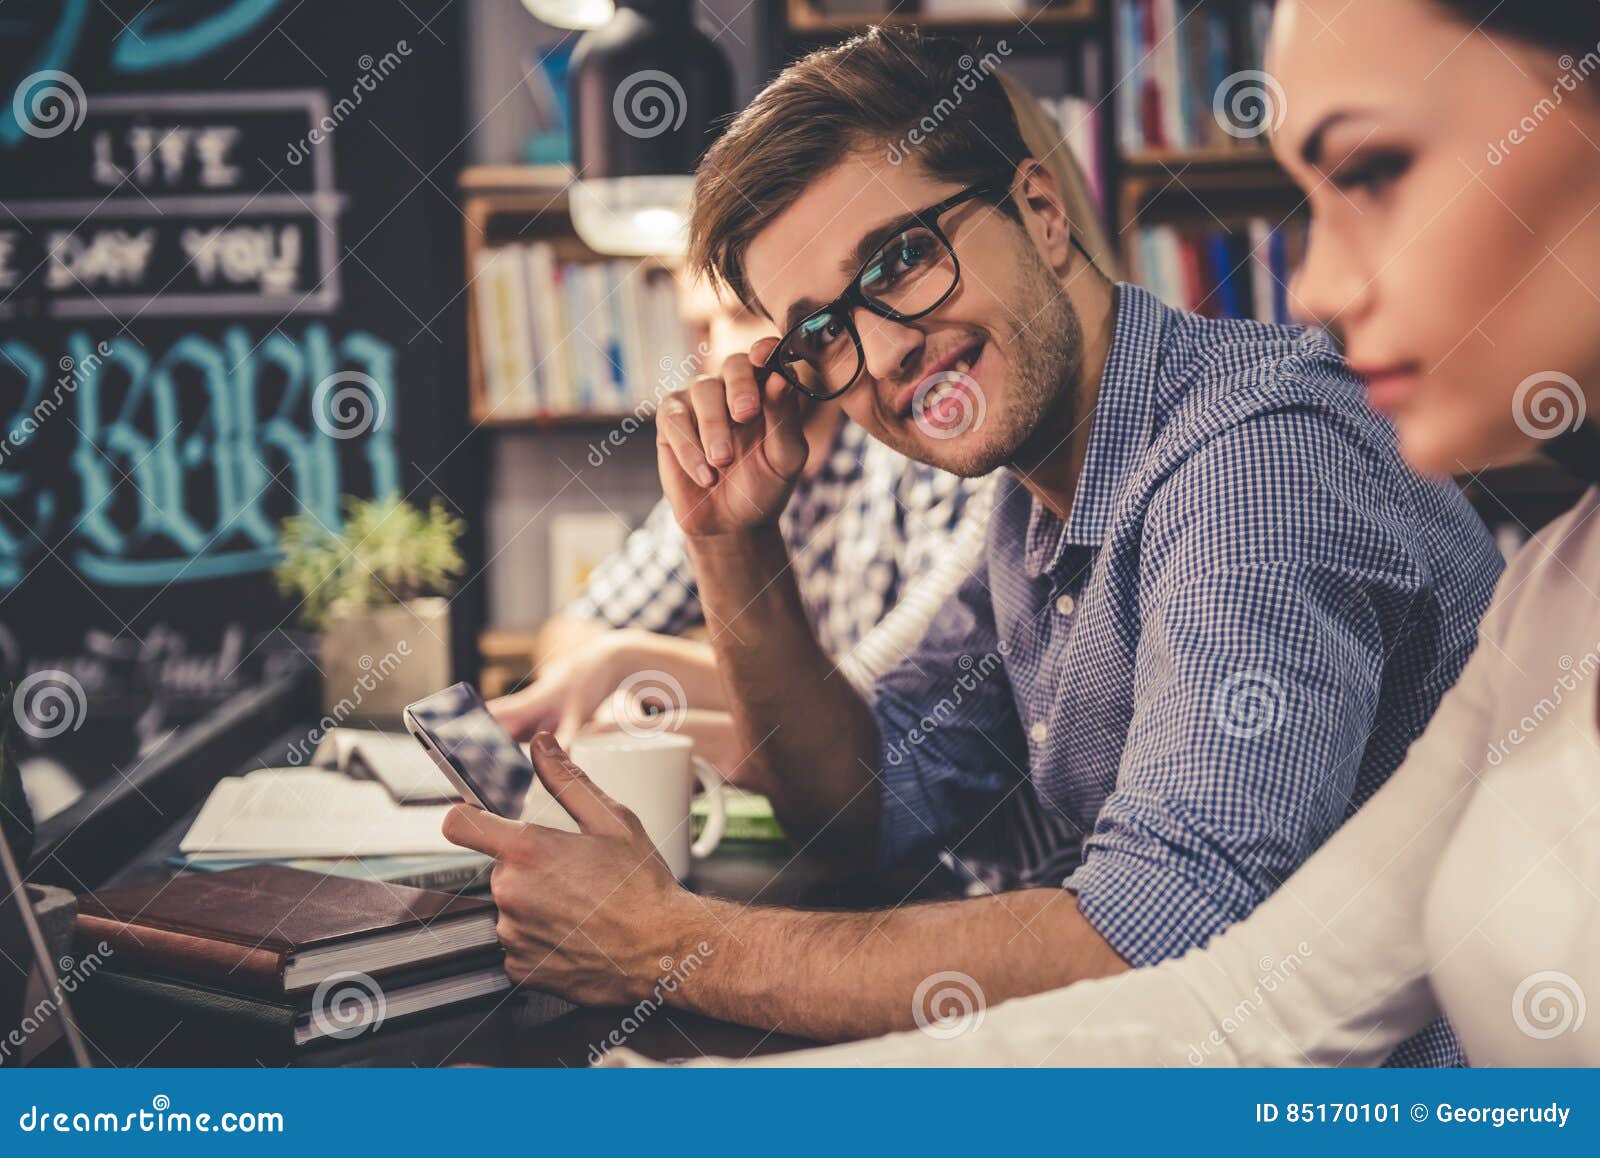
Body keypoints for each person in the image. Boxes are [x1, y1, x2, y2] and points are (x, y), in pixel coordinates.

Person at [443, 27, 1506, 1064]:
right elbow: (867, 808)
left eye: (904, 257)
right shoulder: (1034, 500)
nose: (884, 353)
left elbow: (1161, 937)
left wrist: (665, 946)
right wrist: (731, 544)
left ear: (1041, 212)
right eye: (821, 333)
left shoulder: (1252, 459)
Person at [490, 81, 1122, 781]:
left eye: (904, 261)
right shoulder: (744, 465)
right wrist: (717, 574)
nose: (718, 354)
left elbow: (875, 715)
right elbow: (572, 635)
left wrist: (635, 666)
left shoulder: (943, 447)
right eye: (699, 329)